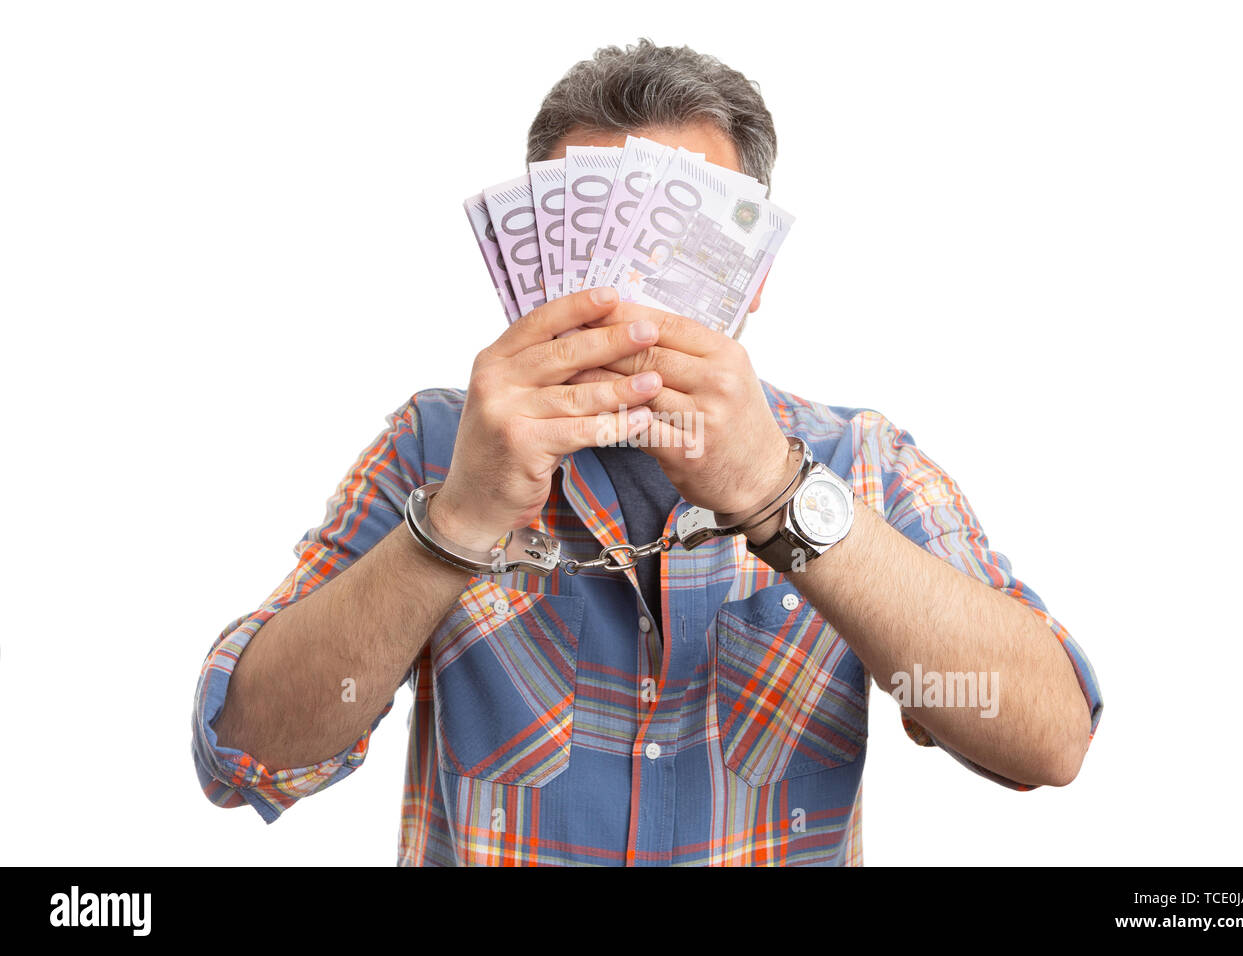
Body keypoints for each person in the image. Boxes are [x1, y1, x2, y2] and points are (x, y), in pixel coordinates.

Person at [192, 39, 1103, 866]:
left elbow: (1049, 739)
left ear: (755, 279)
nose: (631, 301)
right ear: (535, 255)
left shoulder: (859, 460)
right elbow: (247, 755)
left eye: (679, 251)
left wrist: (777, 493)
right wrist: (458, 520)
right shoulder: (435, 447)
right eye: (598, 248)